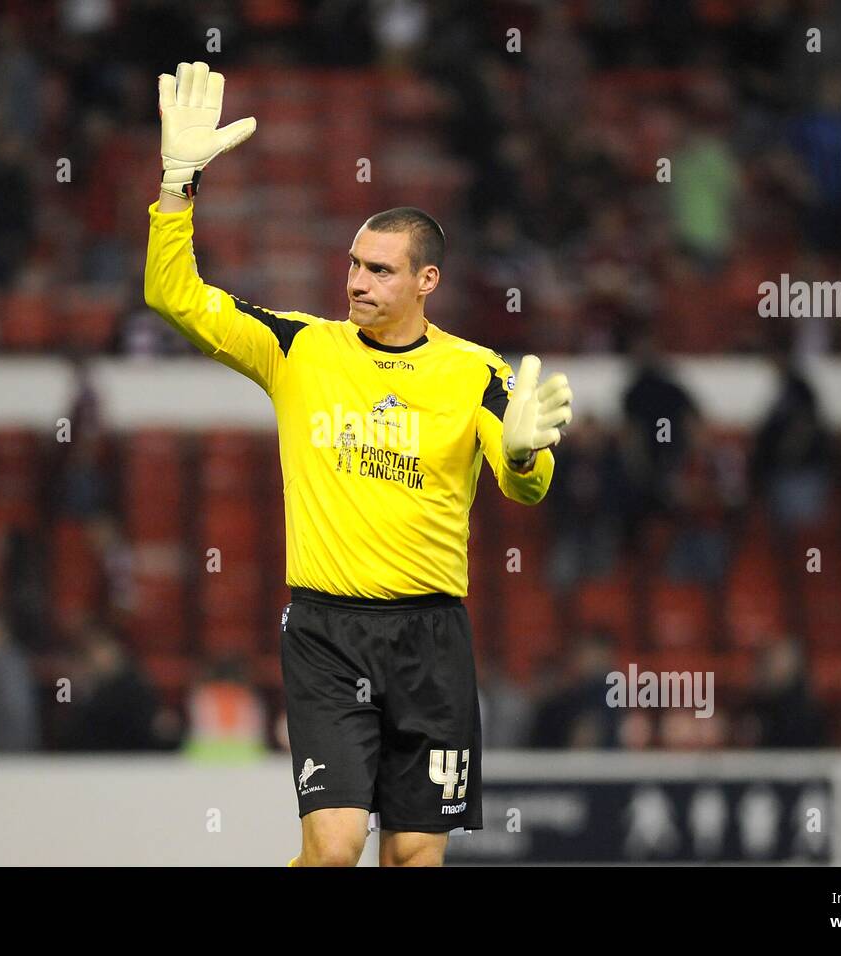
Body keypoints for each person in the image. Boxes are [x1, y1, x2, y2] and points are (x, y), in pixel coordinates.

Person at [146, 62, 573, 867]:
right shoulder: (300, 348)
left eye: (380, 270)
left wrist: (522, 456)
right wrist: (178, 184)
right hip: (327, 632)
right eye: (353, 264)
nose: (357, 282)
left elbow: (528, 485)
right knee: (336, 847)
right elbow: (176, 296)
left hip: (432, 638)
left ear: (427, 281)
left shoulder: (476, 371)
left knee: (413, 854)